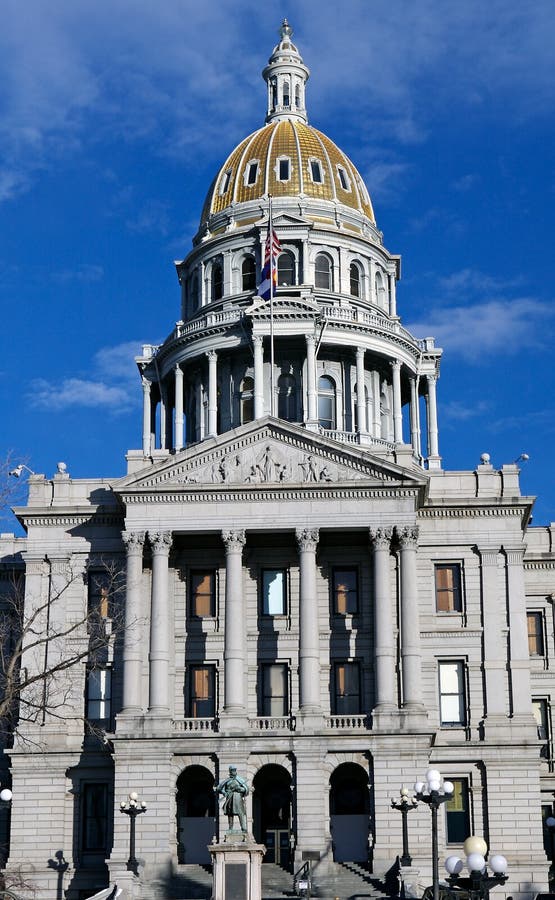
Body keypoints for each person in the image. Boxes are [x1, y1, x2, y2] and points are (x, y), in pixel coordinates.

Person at [215, 765, 249, 832]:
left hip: (237, 797)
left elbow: (246, 789)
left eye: (235, 770)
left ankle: (243, 827)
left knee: (240, 812)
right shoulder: (227, 780)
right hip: (229, 798)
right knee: (230, 813)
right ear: (230, 771)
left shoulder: (240, 779)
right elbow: (219, 788)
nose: (234, 771)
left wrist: (240, 789)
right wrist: (224, 792)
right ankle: (230, 828)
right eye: (232, 770)